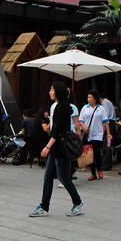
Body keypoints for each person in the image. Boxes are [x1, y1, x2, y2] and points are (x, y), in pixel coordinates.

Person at [30, 83, 84, 217]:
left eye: (52, 90)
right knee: (48, 176)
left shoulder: (62, 108)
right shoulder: (56, 106)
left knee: (63, 177)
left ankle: (77, 203)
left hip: (60, 147)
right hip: (56, 146)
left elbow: (58, 131)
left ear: (57, 92)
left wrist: (47, 147)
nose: (49, 92)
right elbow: (54, 129)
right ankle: (44, 206)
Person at [78, 90, 108, 181]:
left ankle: (99, 170)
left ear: (95, 99)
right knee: (90, 154)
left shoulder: (101, 108)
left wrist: (108, 133)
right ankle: (93, 173)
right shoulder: (85, 108)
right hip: (88, 134)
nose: (88, 99)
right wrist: (84, 127)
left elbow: (106, 121)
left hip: (98, 134)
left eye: (90, 97)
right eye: (88, 97)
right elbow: (80, 120)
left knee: (97, 153)